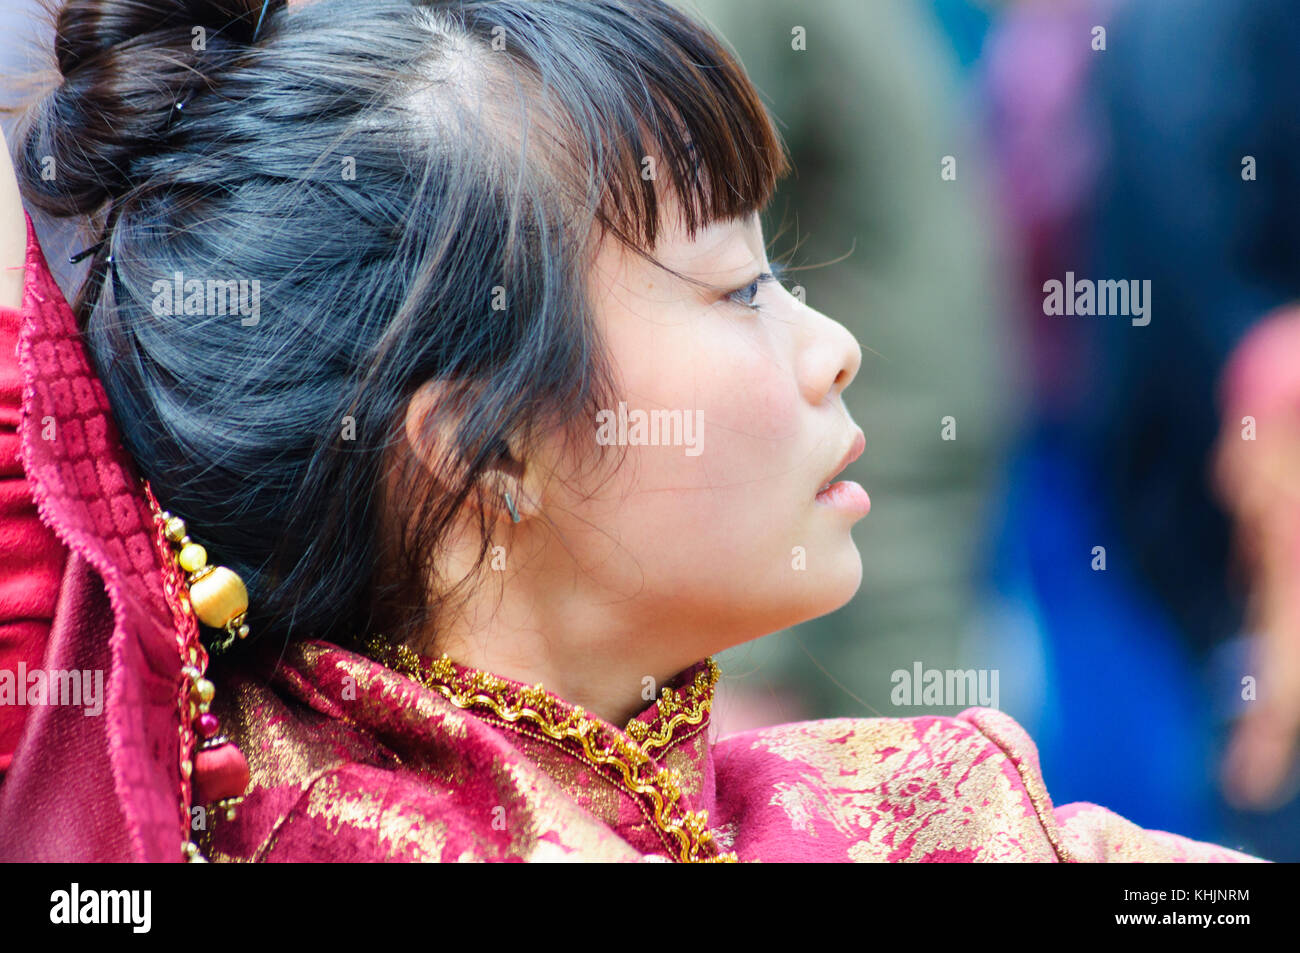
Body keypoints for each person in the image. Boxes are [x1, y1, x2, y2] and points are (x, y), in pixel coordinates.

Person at [0, 0, 1265, 862]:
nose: (835, 349)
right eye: (737, 291)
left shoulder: (201, 812)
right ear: (481, 451)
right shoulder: (925, 824)